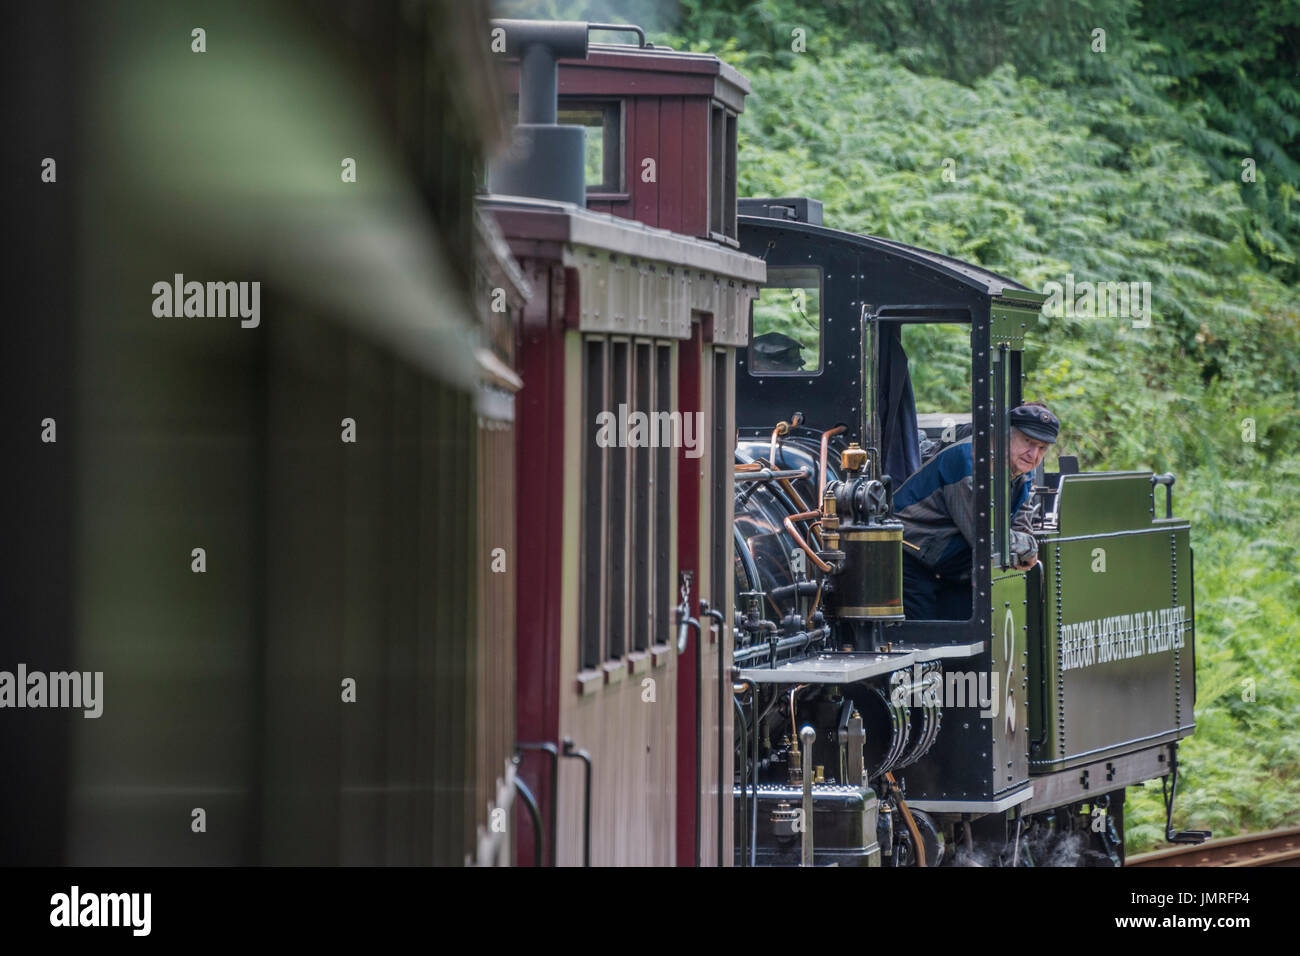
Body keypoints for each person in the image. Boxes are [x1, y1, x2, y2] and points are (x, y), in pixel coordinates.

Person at [893, 401, 1059, 620]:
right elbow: (986, 538)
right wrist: (1026, 549)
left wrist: (1023, 546)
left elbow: (1021, 526)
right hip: (909, 558)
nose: (1033, 454)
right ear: (1007, 435)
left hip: (949, 564)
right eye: (1028, 442)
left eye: (1042, 448)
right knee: (924, 640)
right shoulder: (970, 462)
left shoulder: (1022, 471)